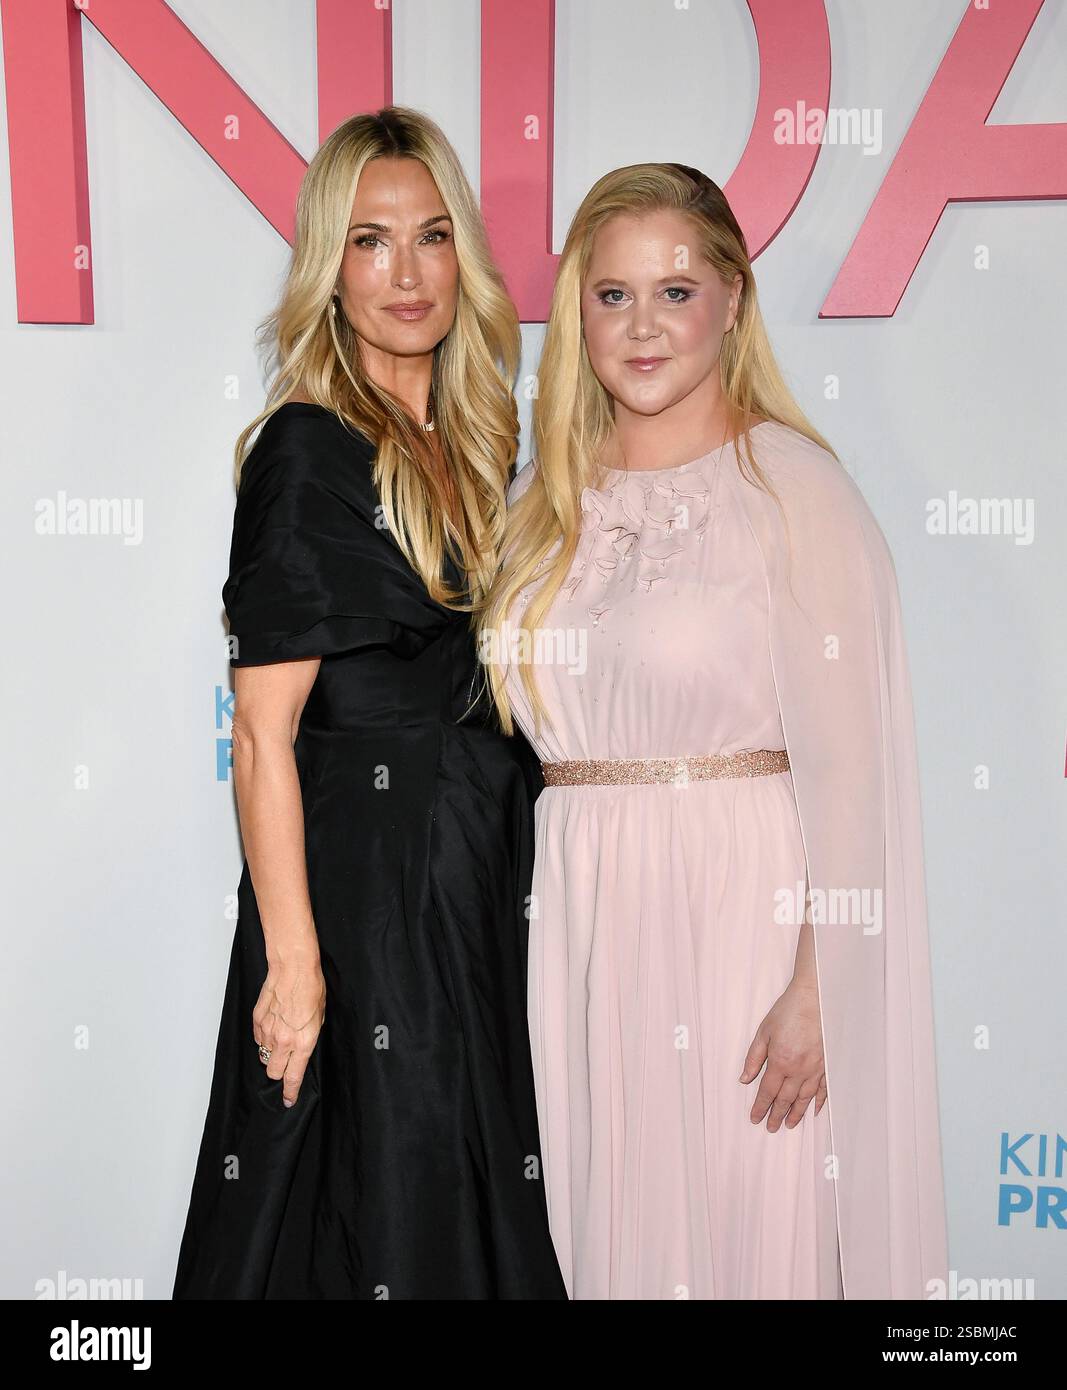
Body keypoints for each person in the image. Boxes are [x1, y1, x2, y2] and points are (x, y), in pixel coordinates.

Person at [477, 162, 948, 1300]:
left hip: (739, 919)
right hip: (583, 926)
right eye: (610, 295)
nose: (642, 326)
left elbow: (854, 776)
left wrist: (820, 984)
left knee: (744, 1234)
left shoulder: (790, 490)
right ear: (575, 312)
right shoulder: (535, 506)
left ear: (733, 299)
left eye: (675, 292)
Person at [173, 107, 567, 1300]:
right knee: (371, 1192)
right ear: (327, 270)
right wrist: (294, 961)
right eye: (370, 240)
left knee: (455, 1188)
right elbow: (262, 738)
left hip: (465, 894)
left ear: (465, 261)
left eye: (433, 236)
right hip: (365, 903)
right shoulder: (306, 450)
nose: (407, 272)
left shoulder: (479, 443)